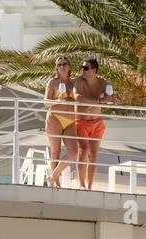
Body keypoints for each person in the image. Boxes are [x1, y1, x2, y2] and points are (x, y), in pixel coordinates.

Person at [73, 59, 114, 190]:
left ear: (93, 71)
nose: (82, 70)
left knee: (93, 155)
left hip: (97, 123)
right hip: (81, 121)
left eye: (85, 68)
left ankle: (89, 186)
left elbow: (112, 98)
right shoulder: (78, 81)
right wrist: (97, 102)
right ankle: (81, 184)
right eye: (82, 67)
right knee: (83, 150)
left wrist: (105, 100)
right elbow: (77, 97)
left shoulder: (102, 82)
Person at [43, 56, 79, 188]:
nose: (61, 67)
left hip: (70, 120)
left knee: (73, 151)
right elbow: (46, 102)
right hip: (55, 118)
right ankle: (56, 184)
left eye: (64, 64)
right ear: (57, 68)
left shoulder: (74, 83)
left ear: (69, 67)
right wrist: (57, 101)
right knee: (55, 153)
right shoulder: (53, 82)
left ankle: (52, 176)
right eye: (59, 65)